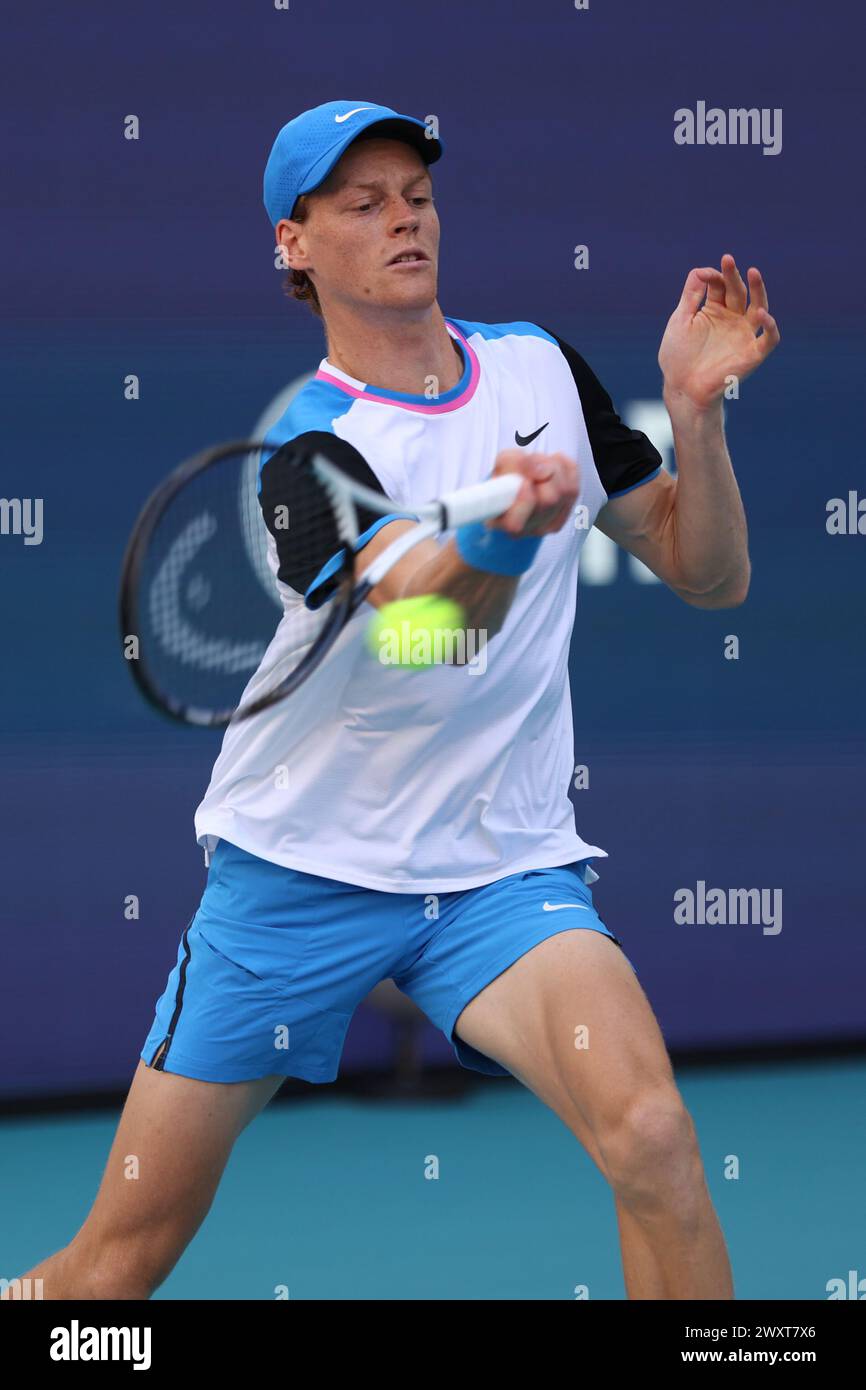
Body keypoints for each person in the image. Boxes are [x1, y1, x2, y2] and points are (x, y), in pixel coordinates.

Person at [9, 100, 779, 1302]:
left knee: (654, 1138)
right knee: (116, 1268)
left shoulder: (536, 368)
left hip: (496, 872)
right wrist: (513, 539)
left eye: (414, 193)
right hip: (297, 876)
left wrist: (692, 414)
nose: (403, 217)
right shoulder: (304, 451)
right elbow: (429, 627)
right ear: (293, 244)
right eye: (360, 203)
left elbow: (707, 572)